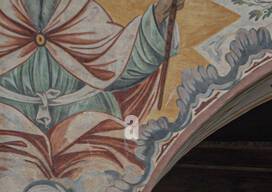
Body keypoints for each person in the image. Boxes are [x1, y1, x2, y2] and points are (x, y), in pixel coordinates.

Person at [0, 0, 185, 178]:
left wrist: (159, 14)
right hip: (10, 127)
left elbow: (121, 65)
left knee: (107, 171)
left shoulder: (82, 13)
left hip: (86, 127)